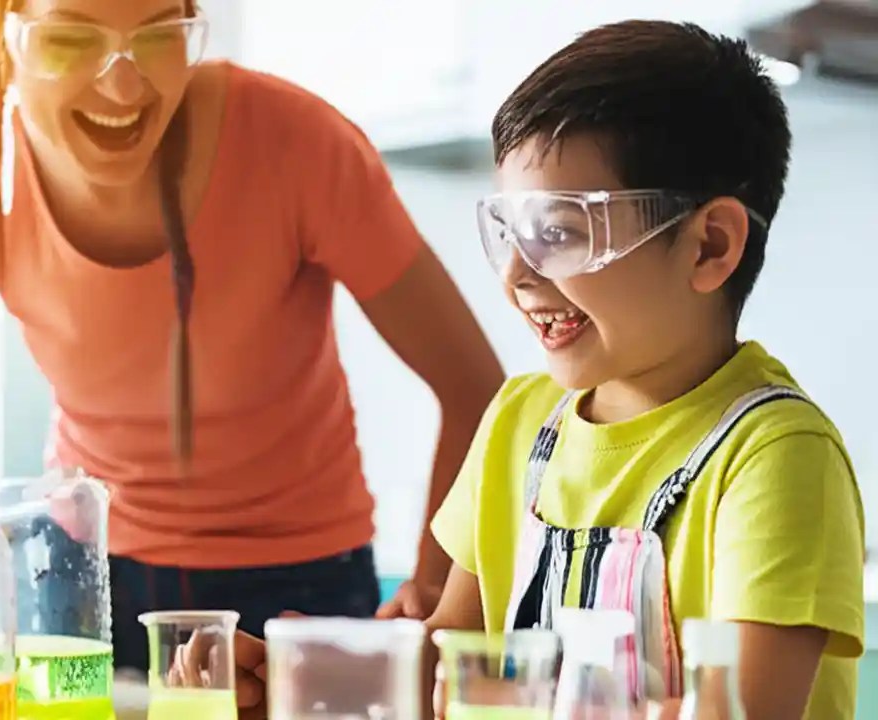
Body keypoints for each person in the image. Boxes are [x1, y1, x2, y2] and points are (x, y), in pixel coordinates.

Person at [233, 19, 865, 720]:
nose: (517, 276)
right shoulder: (519, 421)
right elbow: (445, 672)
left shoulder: (775, 458)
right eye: (511, 232)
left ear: (708, 246)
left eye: (560, 233)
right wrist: (293, 676)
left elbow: (745, 712)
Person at [0, 0, 504, 672]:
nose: (123, 86)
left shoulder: (300, 144)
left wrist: (440, 597)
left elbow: (476, 390)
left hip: (299, 586)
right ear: (2, 39)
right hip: (85, 575)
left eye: (157, 37)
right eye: (68, 39)